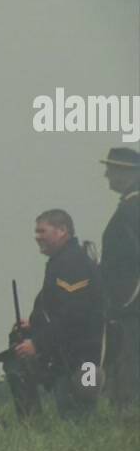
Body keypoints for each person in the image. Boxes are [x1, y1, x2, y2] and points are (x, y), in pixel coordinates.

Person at [5, 210, 104, 420]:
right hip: (70, 355)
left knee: (78, 421)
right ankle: (32, 425)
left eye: (42, 230)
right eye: (36, 231)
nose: (37, 236)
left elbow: (73, 316)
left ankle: (31, 425)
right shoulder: (64, 260)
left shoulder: (71, 263)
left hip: (79, 359)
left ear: (62, 231)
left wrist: (37, 344)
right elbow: (57, 309)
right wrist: (33, 325)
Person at [99, 147, 140, 411]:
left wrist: (126, 301)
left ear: (128, 173)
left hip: (131, 309)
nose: (106, 174)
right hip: (125, 307)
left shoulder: (133, 209)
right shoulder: (129, 206)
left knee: (129, 370)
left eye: (111, 169)